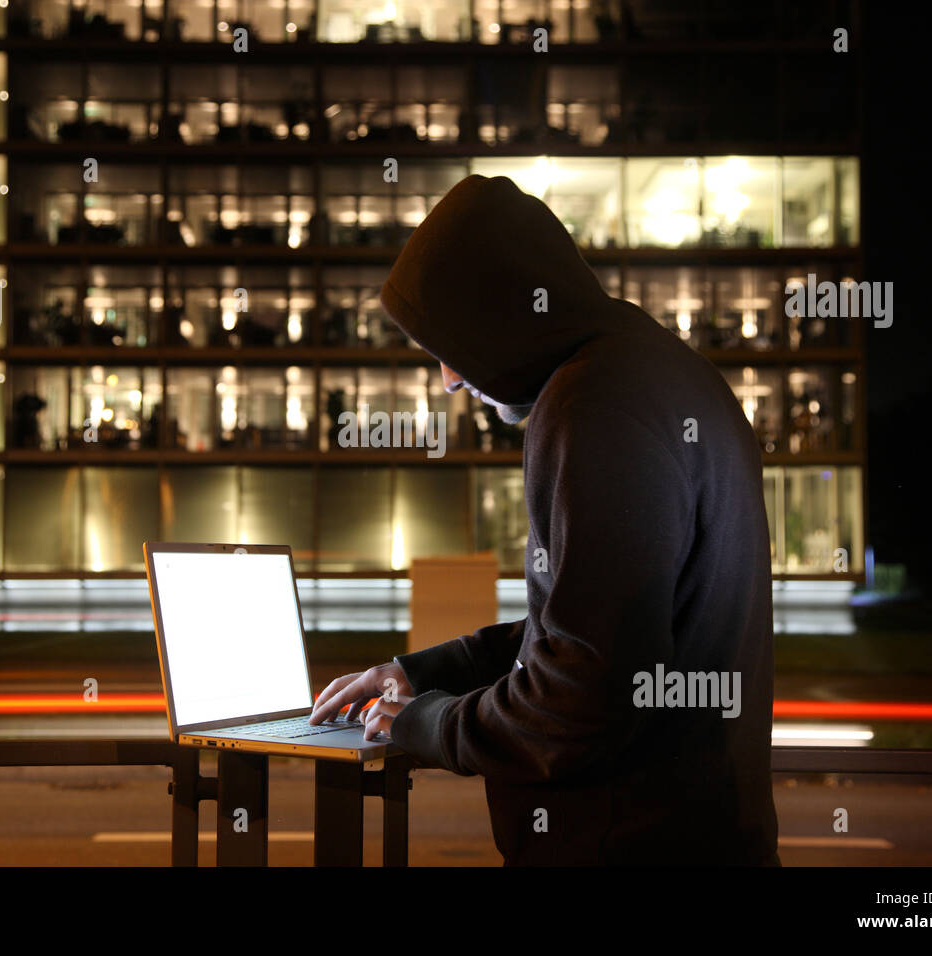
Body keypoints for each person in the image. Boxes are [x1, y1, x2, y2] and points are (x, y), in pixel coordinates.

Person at [309, 174, 780, 866]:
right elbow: (594, 631)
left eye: (450, 345)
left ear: (500, 312)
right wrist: (420, 672)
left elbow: (584, 690)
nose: (449, 379)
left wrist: (424, 723)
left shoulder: (591, 402)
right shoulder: (664, 370)